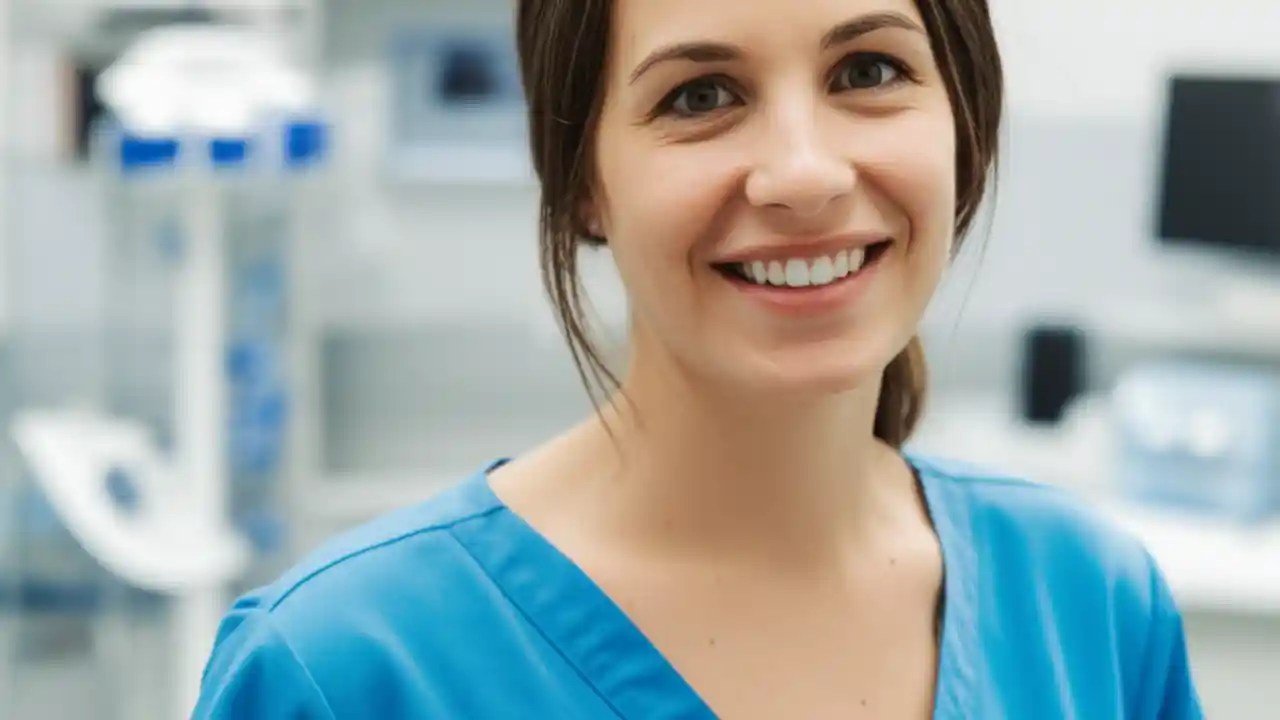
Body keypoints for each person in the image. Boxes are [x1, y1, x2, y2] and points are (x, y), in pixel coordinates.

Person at [194, 0, 1204, 717]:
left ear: (963, 123)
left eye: (867, 72)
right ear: (581, 180)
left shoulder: (1089, 607)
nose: (803, 175)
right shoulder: (344, 670)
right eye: (699, 94)